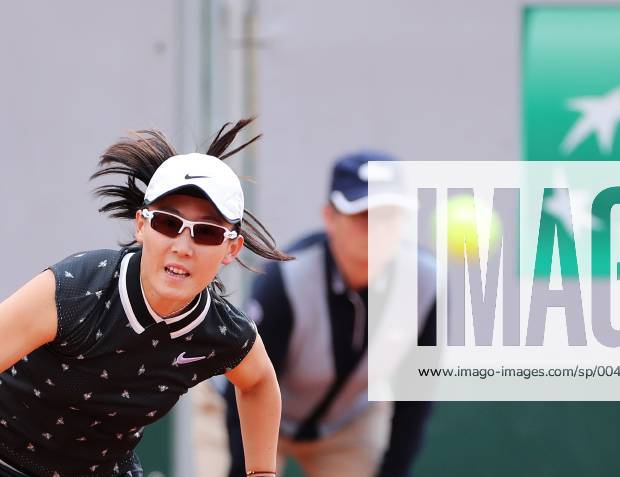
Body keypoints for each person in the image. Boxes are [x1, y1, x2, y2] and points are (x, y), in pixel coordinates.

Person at [0, 119, 288, 477]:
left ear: (231, 248)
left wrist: (262, 472)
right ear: (141, 226)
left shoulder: (223, 331)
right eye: (168, 223)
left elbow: (259, 382)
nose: (183, 247)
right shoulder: (77, 289)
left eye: (207, 233)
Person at [225, 152, 436, 477]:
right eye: (362, 216)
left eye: (389, 216)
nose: (377, 229)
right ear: (329, 217)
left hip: (346, 422)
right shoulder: (286, 282)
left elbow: (415, 399)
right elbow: (247, 385)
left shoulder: (426, 286)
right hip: (246, 409)